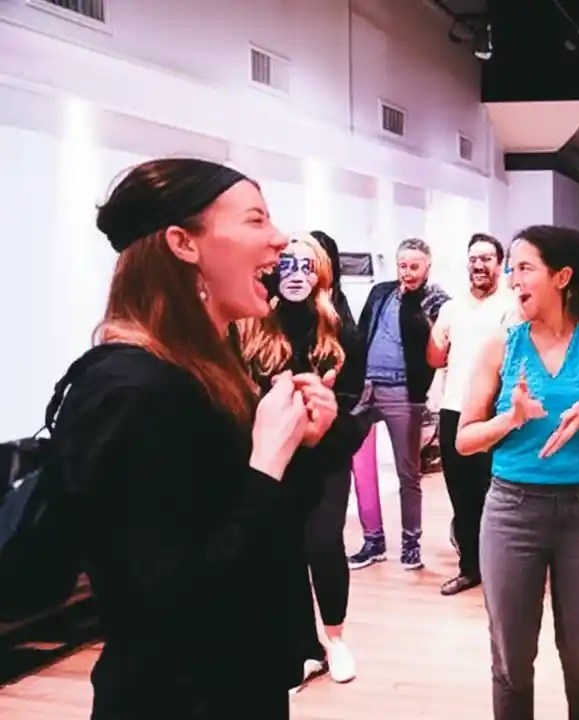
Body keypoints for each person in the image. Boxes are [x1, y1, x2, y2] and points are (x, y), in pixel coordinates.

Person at [53, 158, 338, 718]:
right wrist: (265, 465)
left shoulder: (208, 373)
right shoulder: (130, 390)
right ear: (184, 244)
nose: (279, 239)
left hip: (239, 686)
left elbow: (262, 539)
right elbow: (170, 598)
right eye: (256, 220)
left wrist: (299, 450)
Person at [456, 225, 579, 720]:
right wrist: (511, 419)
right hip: (512, 511)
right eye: (511, 268)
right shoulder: (502, 344)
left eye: (524, 268)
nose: (511, 278)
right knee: (512, 659)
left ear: (562, 276)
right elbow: (464, 439)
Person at [236, 233, 368, 688]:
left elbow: (353, 403)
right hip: (276, 457)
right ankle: (303, 648)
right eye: (286, 263)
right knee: (283, 549)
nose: (295, 273)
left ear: (321, 273)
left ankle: (336, 640)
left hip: (326, 455)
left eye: (305, 265)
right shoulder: (252, 327)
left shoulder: (341, 331)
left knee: (322, 543)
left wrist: (325, 420)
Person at [428, 233, 519, 596]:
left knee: (496, 492)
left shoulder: (512, 305)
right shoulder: (452, 307)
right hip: (454, 409)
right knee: (462, 494)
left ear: (500, 264)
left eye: (486, 259)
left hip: (495, 412)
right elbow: (435, 358)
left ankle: (504, 568)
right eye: (473, 259)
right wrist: (432, 330)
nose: (479, 265)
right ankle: (470, 567)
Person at [347, 238, 438, 570]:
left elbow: (436, 341)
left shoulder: (432, 300)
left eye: (415, 266)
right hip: (366, 388)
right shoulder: (380, 292)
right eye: (403, 265)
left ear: (428, 266)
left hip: (403, 393)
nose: (408, 272)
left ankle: (410, 542)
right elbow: (360, 333)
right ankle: (373, 540)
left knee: (408, 473)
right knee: (360, 467)